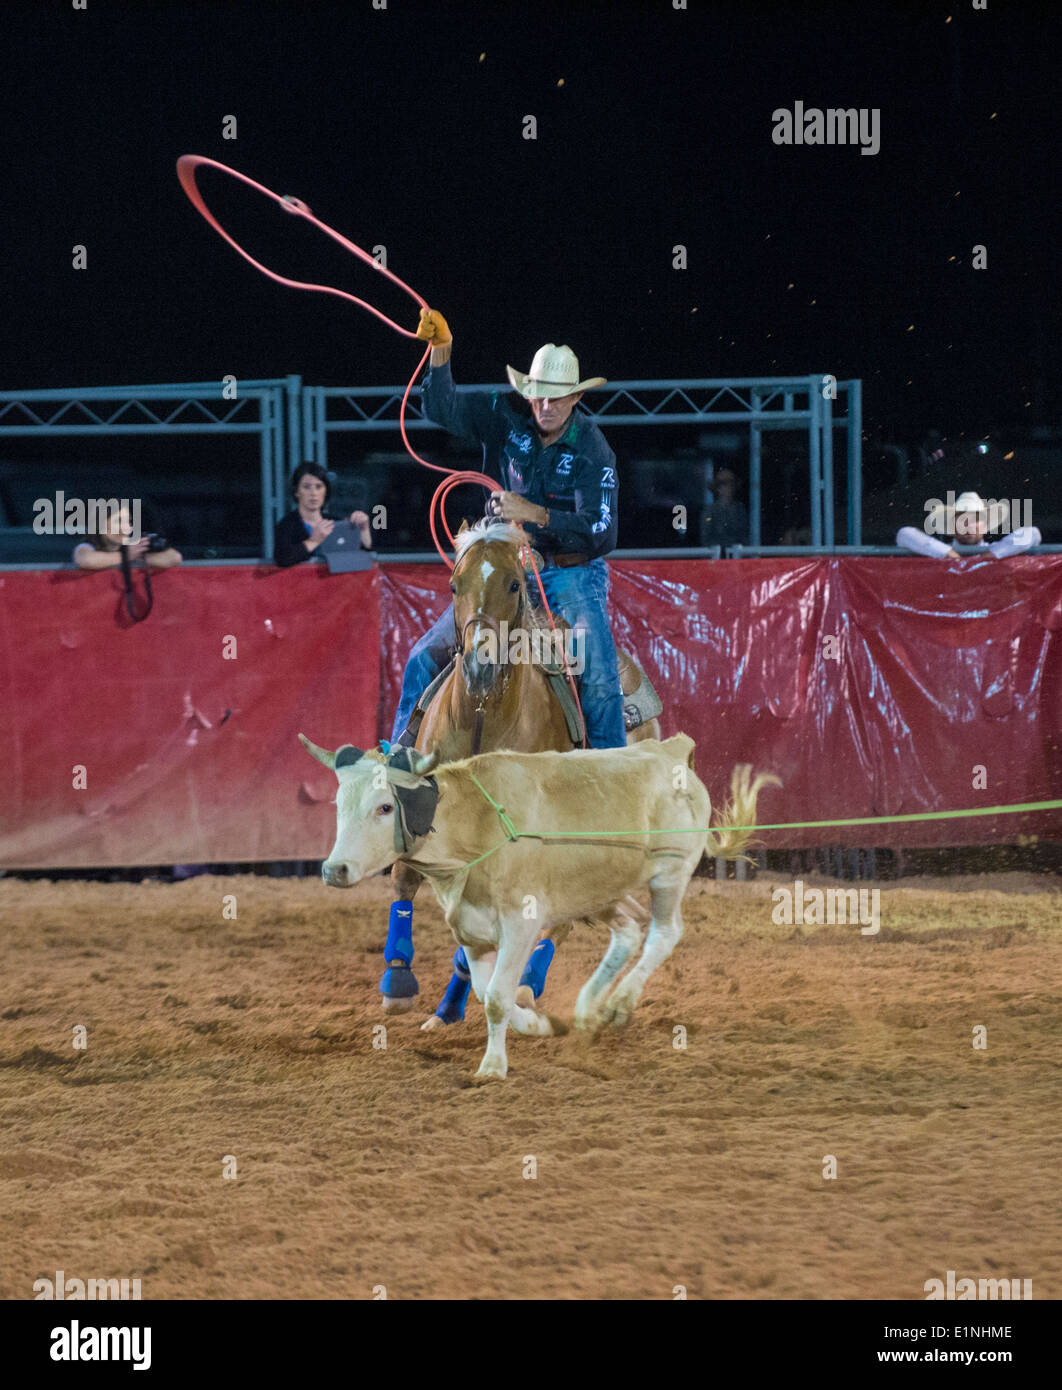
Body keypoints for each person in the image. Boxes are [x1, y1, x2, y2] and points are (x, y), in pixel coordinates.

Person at [391, 307, 625, 749]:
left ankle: (612, 770)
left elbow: (602, 533)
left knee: (594, 669)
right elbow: (444, 409)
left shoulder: (594, 450)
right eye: (539, 395)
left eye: (557, 397)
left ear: (576, 398)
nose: (545, 405)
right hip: (505, 570)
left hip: (570, 573)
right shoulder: (505, 415)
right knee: (424, 654)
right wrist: (441, 352)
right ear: (529, 392)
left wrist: (535, 514)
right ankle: (399, 761)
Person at [274, 462, 372, 567]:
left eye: (319, 486)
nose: (313, 493)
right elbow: (282, 559)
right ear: (296, 491)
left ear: (325, 491)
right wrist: (314, 541)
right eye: (306, 487)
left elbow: (363, 556)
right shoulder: (287, 524)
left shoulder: (336, 523)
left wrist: (363, 530)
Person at [896, 490, 1041, 559]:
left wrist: (990, 555)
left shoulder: (998, 549)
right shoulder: (936, 552)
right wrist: (947, 554)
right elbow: (904, 534)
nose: (968, 525)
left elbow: (1033, 533)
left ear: (985, 526)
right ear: (951, 528)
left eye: (975, 519)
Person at [72, 503, 182, 570]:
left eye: (128, 522)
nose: (125, 528)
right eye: (118, 521)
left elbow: (174, 558)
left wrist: (140, 558)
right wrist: (126, 556)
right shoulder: (87, 546)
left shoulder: (133, 547)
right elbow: (87, 560)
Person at [700, 467, 749, 548]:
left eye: (731, 484)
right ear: (718, 488)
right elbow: (706, 537)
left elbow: (744, 535)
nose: (729, 488)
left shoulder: (740, 509)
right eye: (724, 484)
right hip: (716, 555)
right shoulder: (709, 511)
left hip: (737, 555)